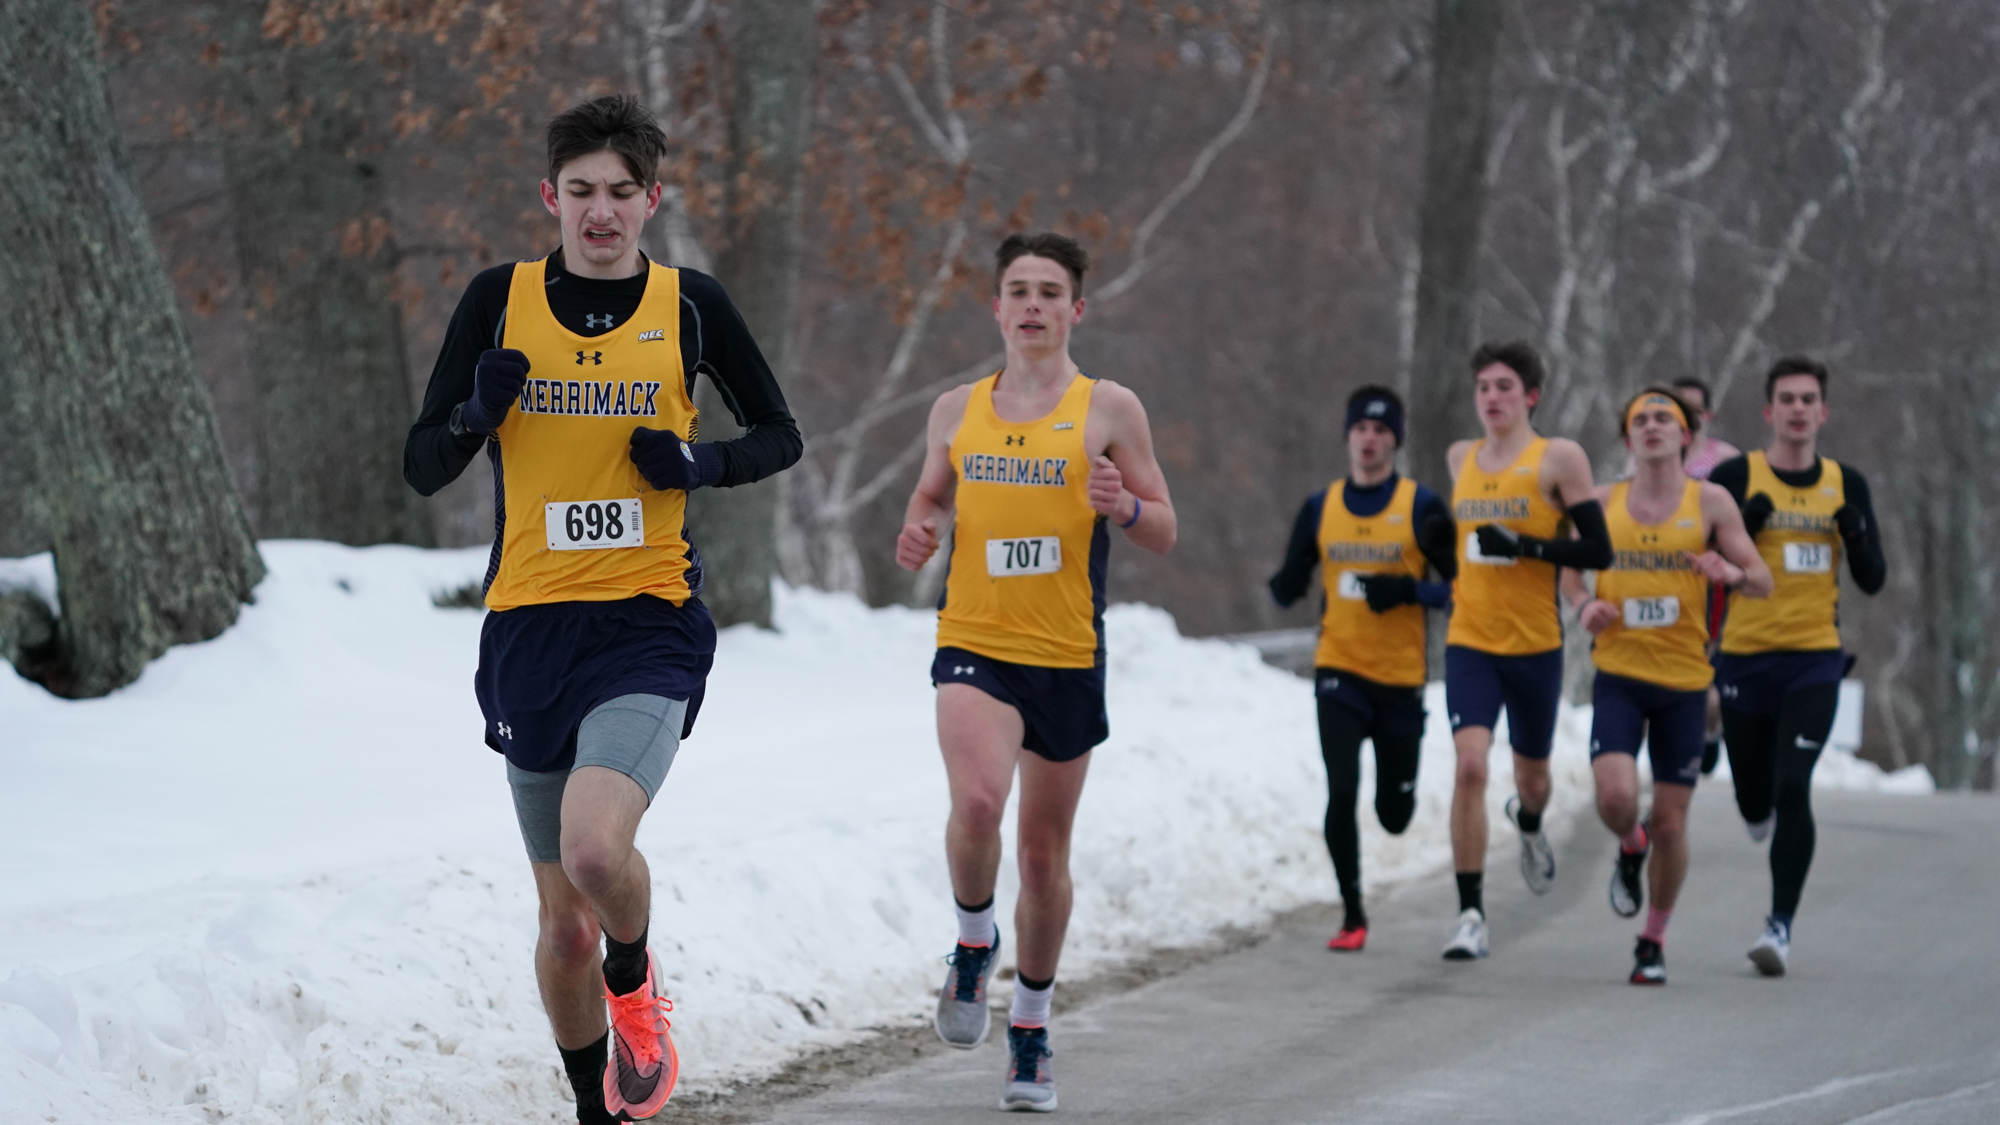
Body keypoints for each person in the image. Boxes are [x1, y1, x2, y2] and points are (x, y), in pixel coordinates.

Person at [403, 95, 801, 1123]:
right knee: (563, 924)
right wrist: (474, 415)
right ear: (550, 196)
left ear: (650, 201)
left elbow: (779, 433)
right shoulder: (498, 301)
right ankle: (594, 1106)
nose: (601, 211)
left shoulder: (690, 304)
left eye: (622, 192)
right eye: (581, 190)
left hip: (646, 622)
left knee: (592, 852)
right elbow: (421, 464)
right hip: (529, 629)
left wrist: (699, 462)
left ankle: (635, 982)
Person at [896, 232, 1175, 1112]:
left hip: (1064, 653)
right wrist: (920, 527)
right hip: (974, 639)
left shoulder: (1109, 408)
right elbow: (931, 493)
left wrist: (1123, 507)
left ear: (1075, 310)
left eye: (1050, 292)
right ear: (996, 307)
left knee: (1043, 854)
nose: (1032, 305)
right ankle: (974, 941)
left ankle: (1031, 1024)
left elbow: (1165, 526)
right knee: (979, 803)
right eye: (1018, 289)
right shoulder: (955, 409)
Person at [1561, 389, 1770, 985]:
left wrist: (1729, 571)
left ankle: (1652, 940)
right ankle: (1632, 845)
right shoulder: (1602, 503)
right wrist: (1584, 605)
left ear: (1686, 435)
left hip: (1684, 683)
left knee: (1672, 824)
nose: (1653, 427)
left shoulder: (1711, 503)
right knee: (1616, 800)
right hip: (1620, 676)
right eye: (1641, 421)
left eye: (1665, 419)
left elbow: (1762, 580)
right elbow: (1568, 572)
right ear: (1628, 438)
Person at [1708, 357, 1885, 977]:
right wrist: (1746, 530)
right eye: (1787, 399)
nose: (1798, 409)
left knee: (1793, 786)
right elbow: (1699, 565)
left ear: (1823, 412)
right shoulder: (1736, 477)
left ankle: (1778, 926)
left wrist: (1856, 536)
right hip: (1744, 658)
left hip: (1813, 657)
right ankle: (1755, 812)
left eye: (1809, 399)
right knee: (1756, 798)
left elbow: (1873, 579)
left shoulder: (1845, 483)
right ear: (1769, 411)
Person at [1268, 386, 1457, 952]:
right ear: (1348, 436)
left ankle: (1395, 804)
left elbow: (1462, 590)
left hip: (1400, 679)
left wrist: (1408, 590)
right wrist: (1286, 583)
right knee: (1341, 788)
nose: (1369, 439)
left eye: (1380, 431)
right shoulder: (1320, 507)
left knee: (1394, 815)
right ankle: (1352, 913)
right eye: (1360, 429)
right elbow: (1289, 581)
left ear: (1395, 441)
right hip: (1339, 671)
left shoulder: (1423, 507)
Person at [1440, 341, 1611, 961]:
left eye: (1505, 387)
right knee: (1470, 767)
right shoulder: (1460, 458)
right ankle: (1470, 914)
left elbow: (1598, 550)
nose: (1492, 397)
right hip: (1470, 640)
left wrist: (1524, 546)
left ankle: (1530, 822)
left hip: (1535, 644)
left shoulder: (1558, 459)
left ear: (1530, 396)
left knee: (1531, 781)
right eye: (1483, 387)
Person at [1666, 376, 1743, 775]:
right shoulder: (1652, 455)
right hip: (1665, 574)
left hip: (1714, 577)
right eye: (1678, 408)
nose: (1687, 416)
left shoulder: (1726, 458)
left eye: (1694, 409)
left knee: (1710, 666)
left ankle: (1710, 728)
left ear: (1708, 415)